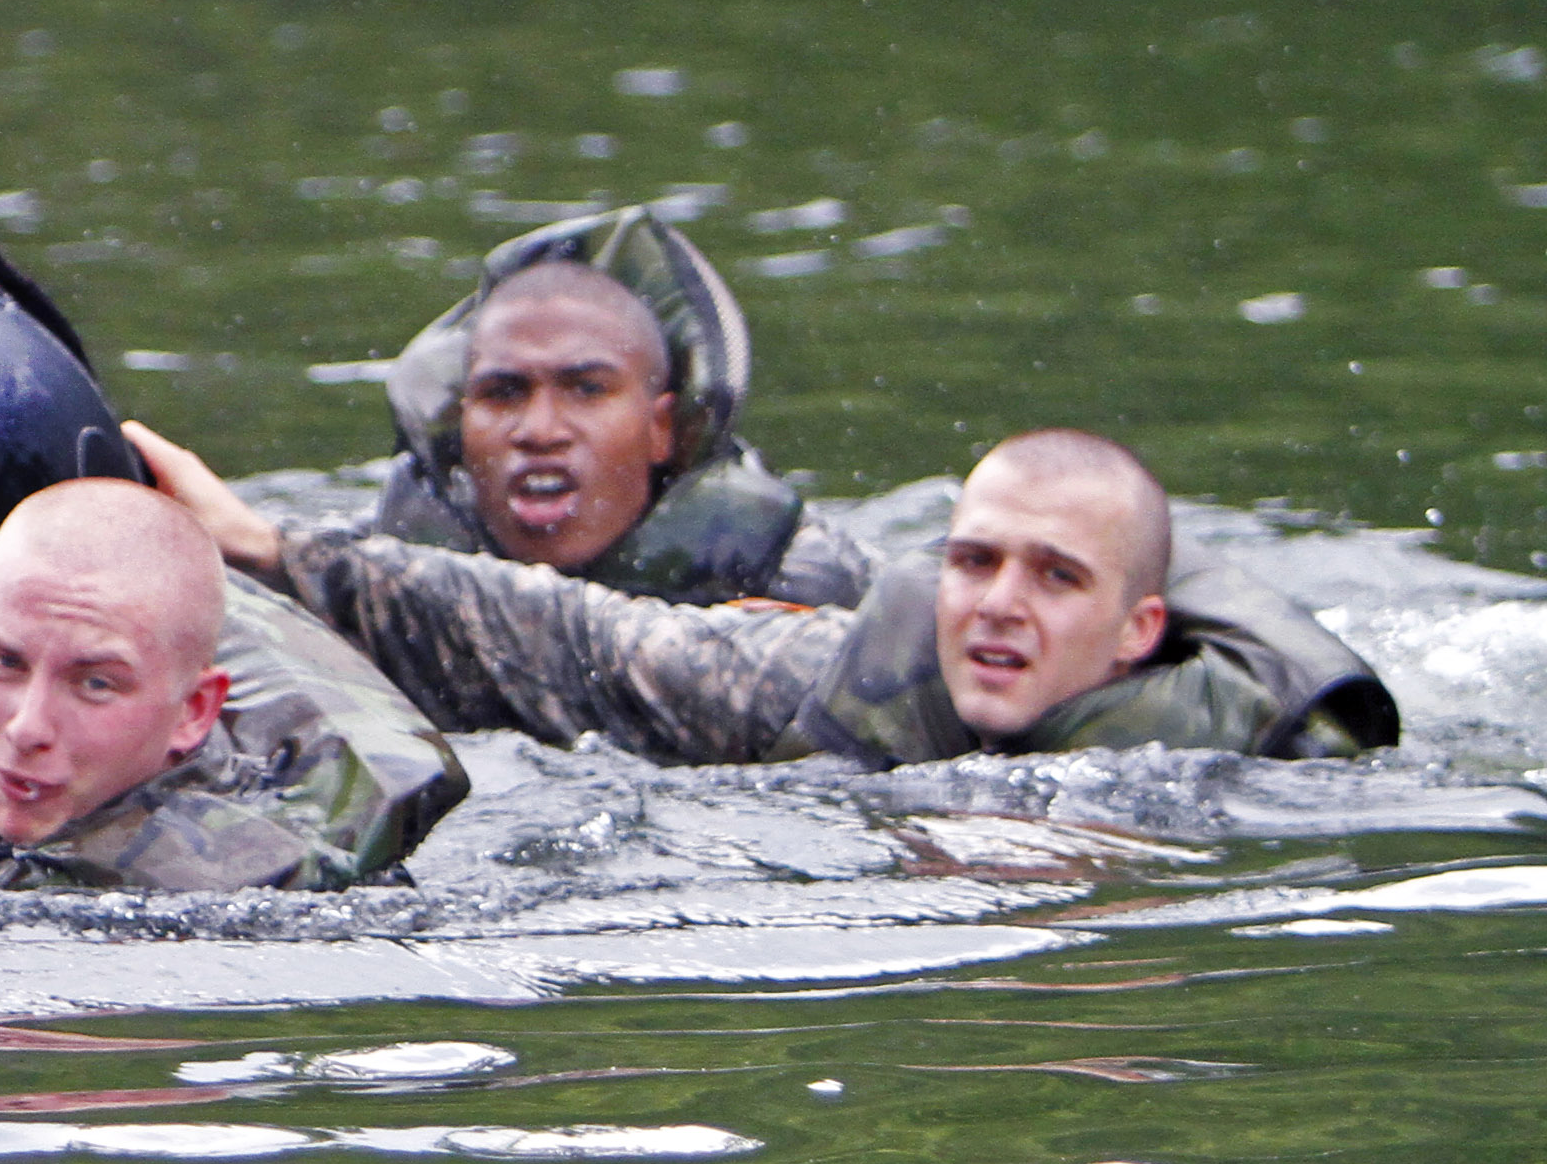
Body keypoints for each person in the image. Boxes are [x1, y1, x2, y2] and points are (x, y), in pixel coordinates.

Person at [138, 419, 1397, 768]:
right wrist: (273, 550)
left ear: (1138, 632)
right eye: (970, 562)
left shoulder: (1265, 755)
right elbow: (580, 638)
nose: (997, 604)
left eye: (1054, 577)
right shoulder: (847, 670)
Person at [0, 430, 465, 891]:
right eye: (2, 662)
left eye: (93, 684)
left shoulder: (244, 886)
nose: (27, 727)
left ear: (192, 714)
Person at [357, 207, 871, 605]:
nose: (539, 430)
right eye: (504, 393)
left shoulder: (809, 585)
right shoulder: (371, 574)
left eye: (587, 390)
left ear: (661, 428)